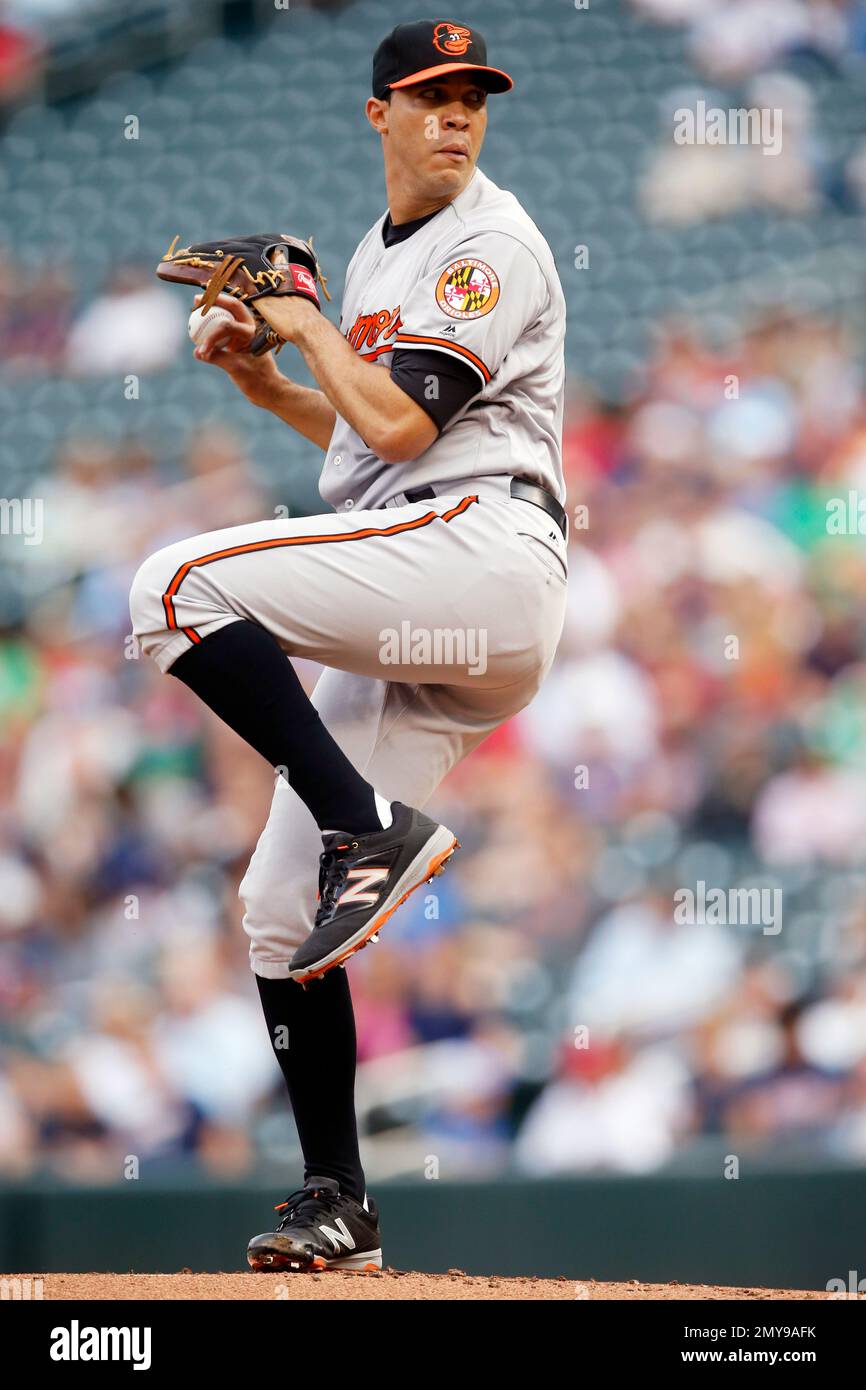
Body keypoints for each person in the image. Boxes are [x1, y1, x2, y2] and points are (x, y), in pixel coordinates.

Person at [129, 17, 568, 1273]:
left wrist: (300, 319)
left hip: (486, 552)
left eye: (471, 98)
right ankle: (340, 1201)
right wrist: (257, 373)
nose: (455, 115)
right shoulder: (381, 258)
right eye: (430, 95)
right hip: (420, 592)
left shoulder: (491, 245)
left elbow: (411, 431)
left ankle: (363, 828)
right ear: (377, 112)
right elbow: (360, 450)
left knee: (171, 585)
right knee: (275, 912)